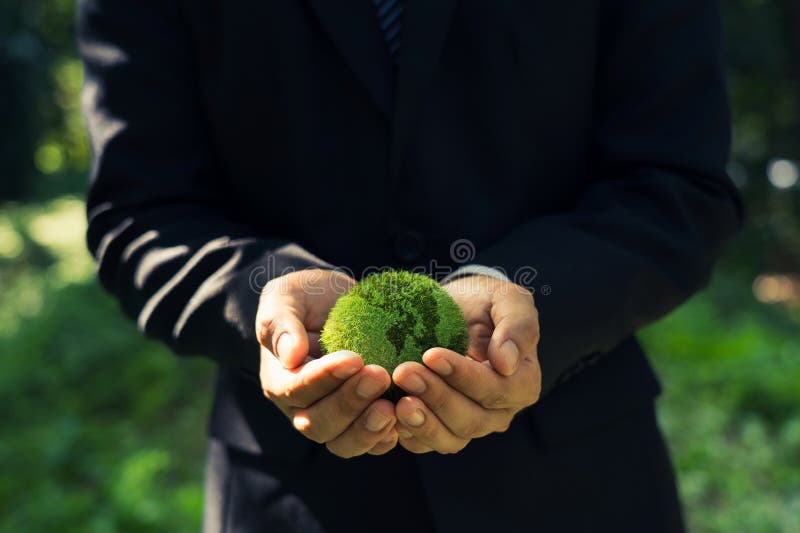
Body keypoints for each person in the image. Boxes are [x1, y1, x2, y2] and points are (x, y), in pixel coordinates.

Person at [78, 0, 742, 531]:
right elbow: (143, 212)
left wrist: (526, 288)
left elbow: (676, 180)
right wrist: (263, 289)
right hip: (294, 493)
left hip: (578, 479)